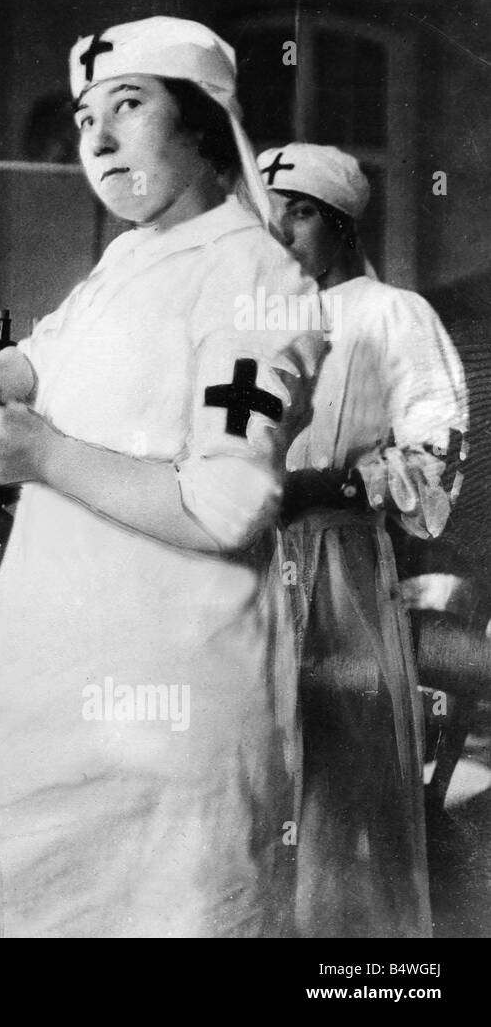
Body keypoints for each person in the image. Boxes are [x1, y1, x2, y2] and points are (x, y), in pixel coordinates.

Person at [0, 16, 326, 937]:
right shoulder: (132, 257)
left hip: (172, 703)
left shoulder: (254, 278)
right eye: (85, 117)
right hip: (51, 678)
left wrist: (42, 455)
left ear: (199, 124)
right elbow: (54, 350)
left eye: (128, 106)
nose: (99, 140)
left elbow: (229, 502)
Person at [259, 142, 468, 937]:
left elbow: (436, 452)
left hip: (338, 566)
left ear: (343, 224)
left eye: (302, 213)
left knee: (342, 784)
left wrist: (328, 485)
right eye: (270, 215)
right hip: (249, 568)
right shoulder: (258, 322)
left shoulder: (391, 314)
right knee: (257, 778)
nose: (282, 232)